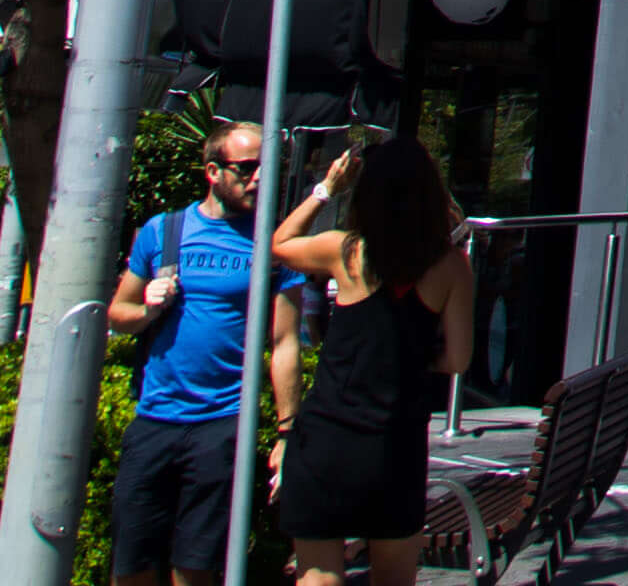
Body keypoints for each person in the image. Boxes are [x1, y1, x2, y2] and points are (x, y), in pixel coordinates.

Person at [268, 136, 474, 586]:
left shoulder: (346, 251)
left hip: (327, 435)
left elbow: (280, 243)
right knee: (394, 576)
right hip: (395, 443)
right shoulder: (451, 266)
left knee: (318, 574)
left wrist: (326, 188)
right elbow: (457, 359)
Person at [104, 124, 290, 586]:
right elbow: (117, 313)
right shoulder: (164, 232)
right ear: (213, 171)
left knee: (195, 567)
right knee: (131, 566)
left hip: (221, 425)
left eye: (268, 169)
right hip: (154, 420)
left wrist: (288, 431)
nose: (258, 179)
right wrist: (146, 306)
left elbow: (285, 343)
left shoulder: (273, 244)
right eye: (246, 169)